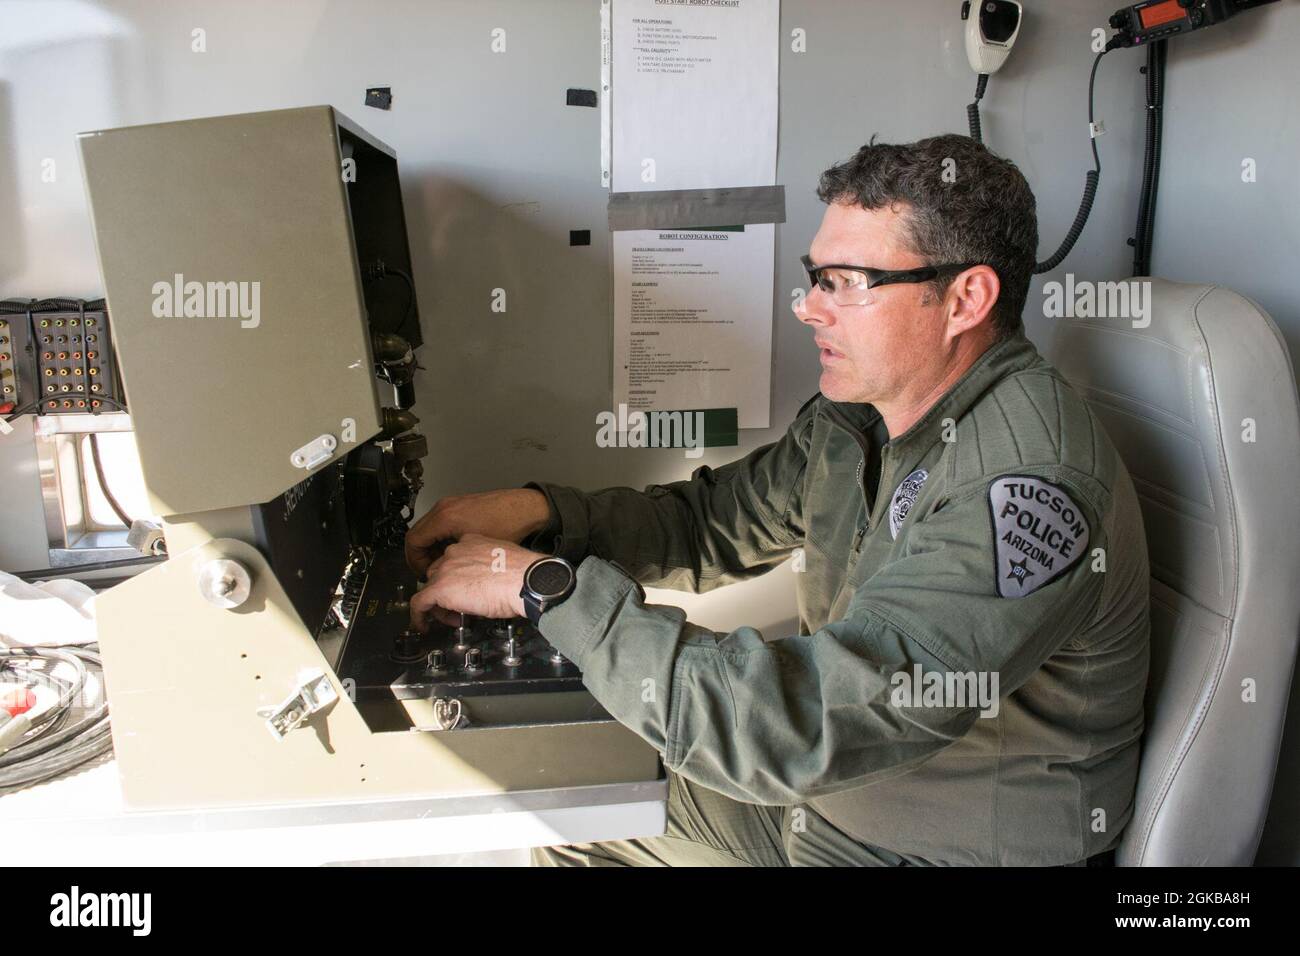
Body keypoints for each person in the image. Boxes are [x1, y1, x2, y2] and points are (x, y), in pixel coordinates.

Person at [405, 134, 1150, 866]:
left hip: (922, 846)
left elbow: (797, 725)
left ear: (964, 299)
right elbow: (710, 525)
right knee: (572, 793)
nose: (809, 308)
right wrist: (543, 516)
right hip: (820, 807)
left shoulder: (1028, 491)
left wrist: (544, 589)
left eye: (847, 282)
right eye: (815, 276)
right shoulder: (860, 418)